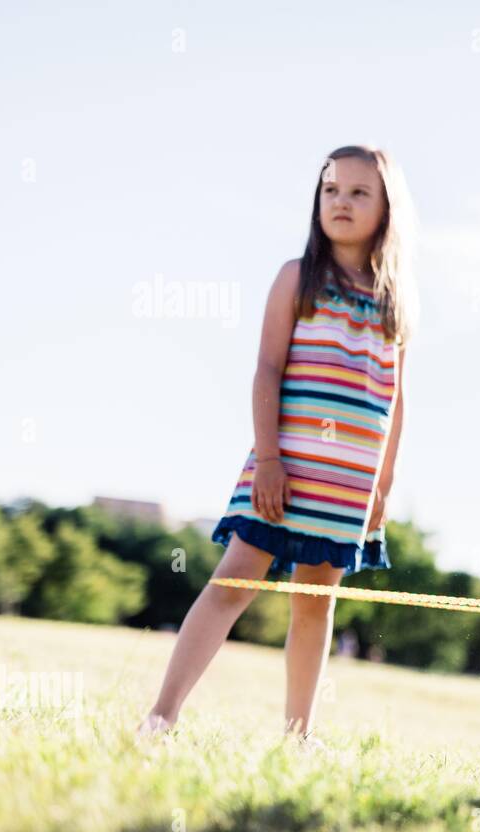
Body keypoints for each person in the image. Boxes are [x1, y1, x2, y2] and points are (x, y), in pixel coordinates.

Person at [139, 145, 416, 739]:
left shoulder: (396, 299)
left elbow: (395, 399)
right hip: (284, 466)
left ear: (387, 206)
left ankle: (298, 736)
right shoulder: (298, 277)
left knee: (315, 601)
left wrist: (383, 488)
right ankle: (162, 714)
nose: (341, 202)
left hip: (348, 484)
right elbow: (267, 368)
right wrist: (268, 459)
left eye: (359, 192)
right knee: (233, 582)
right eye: (331, 191)